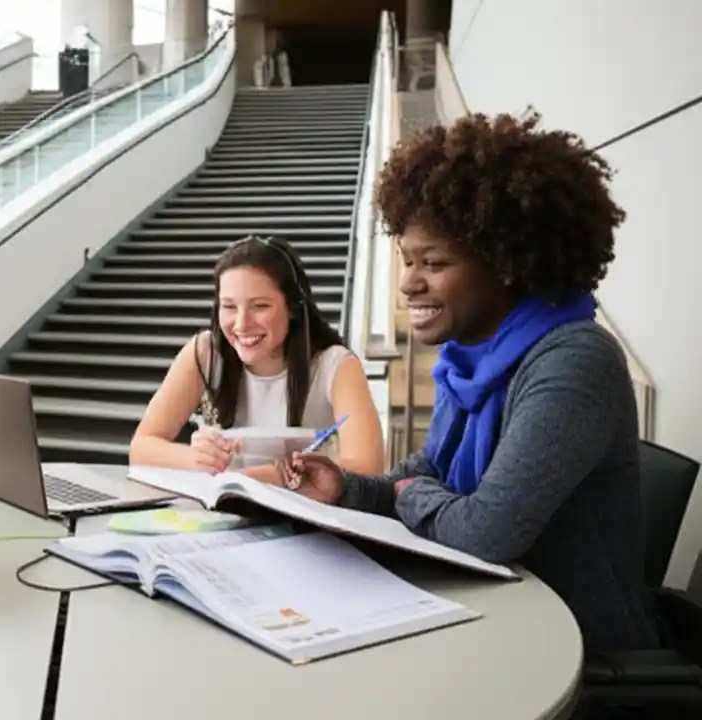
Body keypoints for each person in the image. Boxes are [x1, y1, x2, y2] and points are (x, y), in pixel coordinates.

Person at [282, 110, 660, 655]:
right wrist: (346, 488)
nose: (410, 283)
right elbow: (432, 470)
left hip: (580, 661)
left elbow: (486, 531)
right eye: (407, 260)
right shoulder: (470, 360)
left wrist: (408, 495)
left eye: (433, 262)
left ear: (505, 263)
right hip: (485, 622)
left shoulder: (574, 362)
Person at [129, 235, 385, 478]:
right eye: (229, 307)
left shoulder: (336, 366)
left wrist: (267, 477)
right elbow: (141, 448)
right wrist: (195, 457)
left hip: (305, 517)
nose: (241, 324)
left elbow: (367, 467)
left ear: (293, 307)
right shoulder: (205, 352)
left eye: (260, 306)